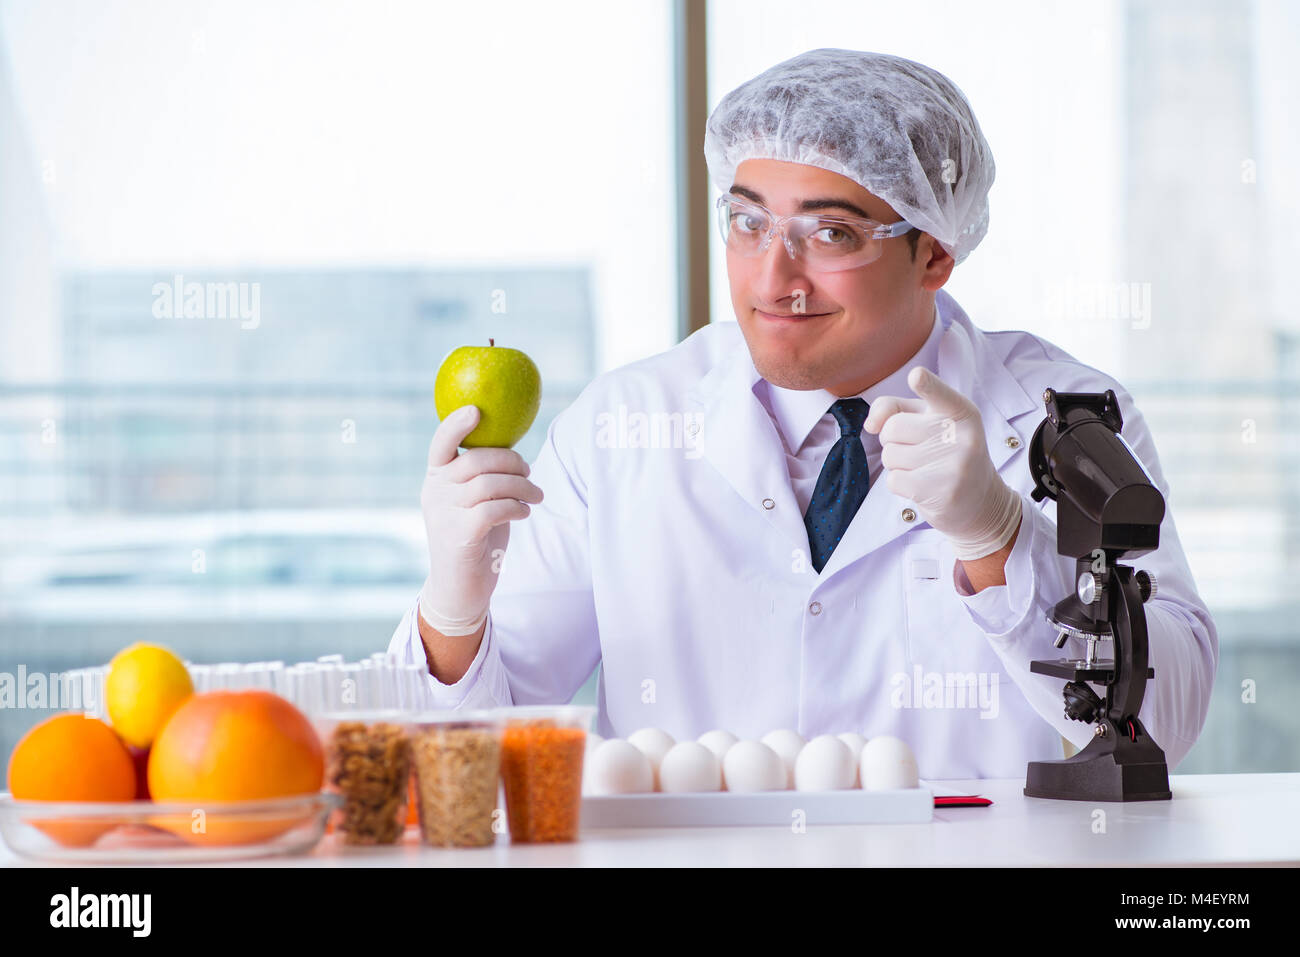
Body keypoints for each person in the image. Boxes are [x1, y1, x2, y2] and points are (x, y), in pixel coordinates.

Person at [386, 48, 1217, 778]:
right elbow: (462, 752)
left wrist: (1001, 538)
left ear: (934, 252)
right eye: (748, 222)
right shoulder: (624, 427)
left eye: (830, 235)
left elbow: (1164, 726)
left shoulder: (1064, 419)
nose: (772, 276)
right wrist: (453, 606)